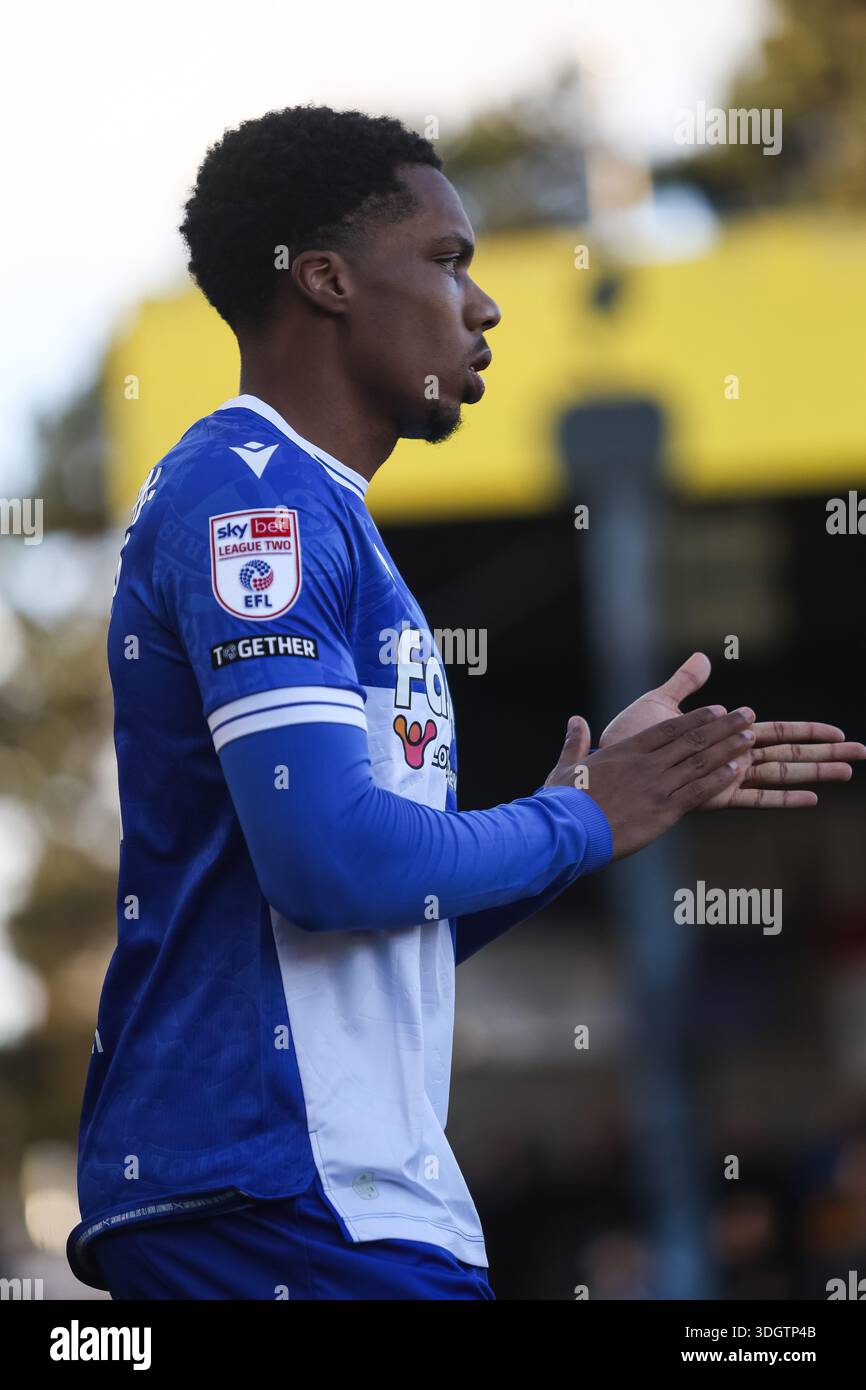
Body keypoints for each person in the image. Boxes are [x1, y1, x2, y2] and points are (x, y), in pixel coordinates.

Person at [67, 105, 864, 1300]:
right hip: (275, 1199)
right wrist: (583, 817)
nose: (481, 306)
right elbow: (330, 867)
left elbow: (378, 920)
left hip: (336, 1202)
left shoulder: (328, 515)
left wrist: (583, 811)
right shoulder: (256, 505)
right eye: (446, 261)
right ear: (326, 281)